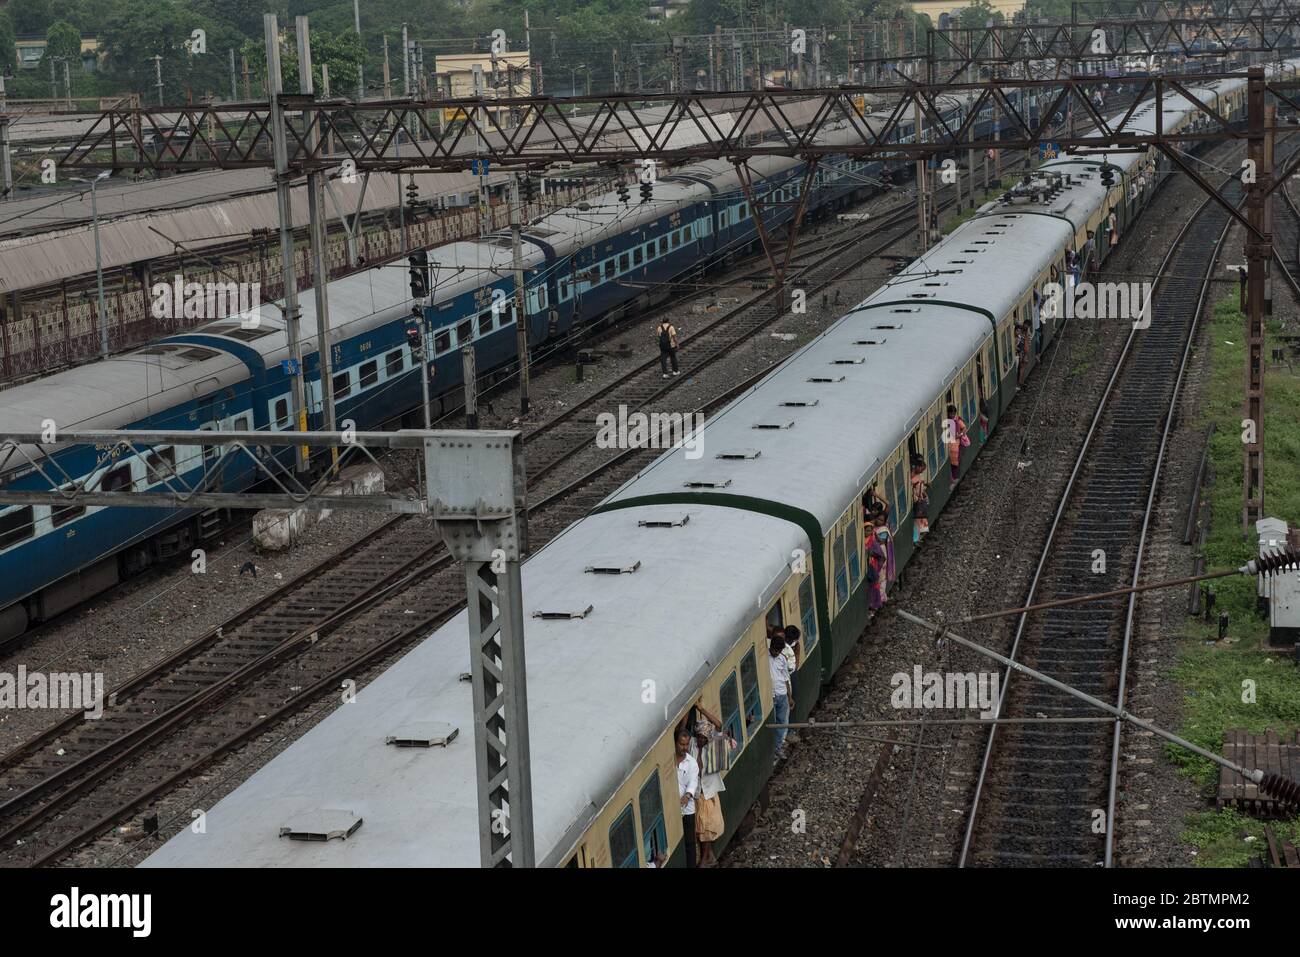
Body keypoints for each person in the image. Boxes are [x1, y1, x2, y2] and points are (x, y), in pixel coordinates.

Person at [675, 730, 699, 867]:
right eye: (681, 744)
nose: (684, 747)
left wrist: (687, 795)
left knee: (689, 843)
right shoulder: (669, 759)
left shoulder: (692, 763)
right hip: (673, 807)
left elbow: (693, 782)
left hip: (687, 809)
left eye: (686, 744)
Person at [769, 634, 793, 762]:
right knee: (772, 723)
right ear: (771, 647)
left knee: (782, 722)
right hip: (771, 695)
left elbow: (786, 679)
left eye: (779, 651)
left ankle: (777, 748)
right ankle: (771, 749)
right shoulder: (764, 658)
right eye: (775, 650)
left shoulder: (782, 659)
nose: (777, 653)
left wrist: (790, 697)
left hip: (782, 694)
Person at [910, 454, 929, 541]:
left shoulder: (916, 475)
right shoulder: (912, 475)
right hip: (917, 500)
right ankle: (916, 538)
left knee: (920, 519)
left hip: (920, 499)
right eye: (921, 469)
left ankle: (919, 535)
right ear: (917, 466)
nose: (921, 471)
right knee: (917, 521)